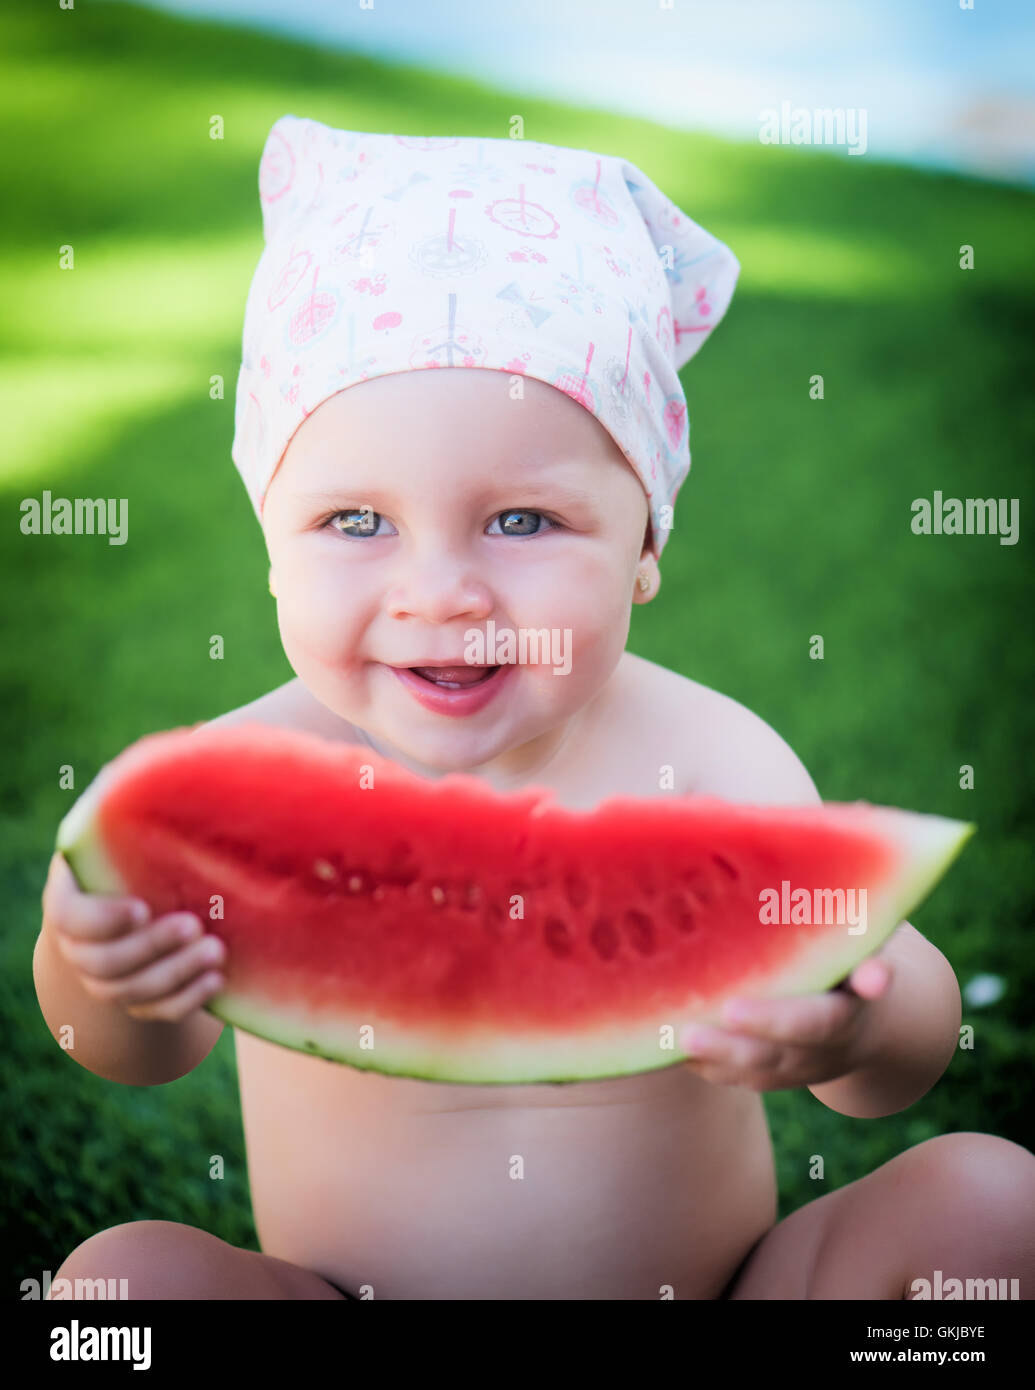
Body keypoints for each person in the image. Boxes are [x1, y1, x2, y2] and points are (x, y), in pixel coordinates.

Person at [35, 119, 1035, 1300]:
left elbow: (891, 1064)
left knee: (987, 1201)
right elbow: (139, 1057)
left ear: (644, 544)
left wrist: (858, 1028)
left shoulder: (711, 757)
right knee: (119, 1288)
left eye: (521, 521)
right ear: (269, 548)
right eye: (356, 521)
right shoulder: (233, 779)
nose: (441, 593)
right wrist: (98, 972)